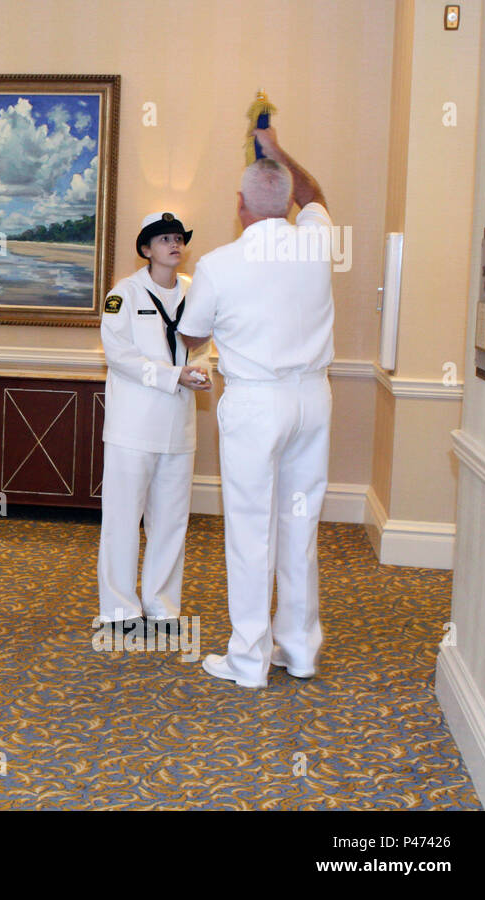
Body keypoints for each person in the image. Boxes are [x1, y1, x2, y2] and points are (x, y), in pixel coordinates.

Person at [180, 127, 334, 688]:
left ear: (240, 206)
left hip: (254, 403)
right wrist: (277, 150)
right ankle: (299, 649)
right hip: (312, 399)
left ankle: (248, 659)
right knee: (300, 522)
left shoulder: (219, 265)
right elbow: (315, 194)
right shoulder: (318, 241)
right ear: (286, 200)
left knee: (251, 528)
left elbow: (193, 337)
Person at [96, 212, 210, 639]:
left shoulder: (195, 292)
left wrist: (200, 371)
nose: (174, 245)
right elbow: (119, 356)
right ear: (146, 249)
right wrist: (171, 375)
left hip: (179, 425)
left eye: (178, 238)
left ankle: (161, 605)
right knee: (123, 518)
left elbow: (202, 344)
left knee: (171, 521)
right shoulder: (122, 294)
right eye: (164, 239)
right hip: (133, 426)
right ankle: (119, 609)